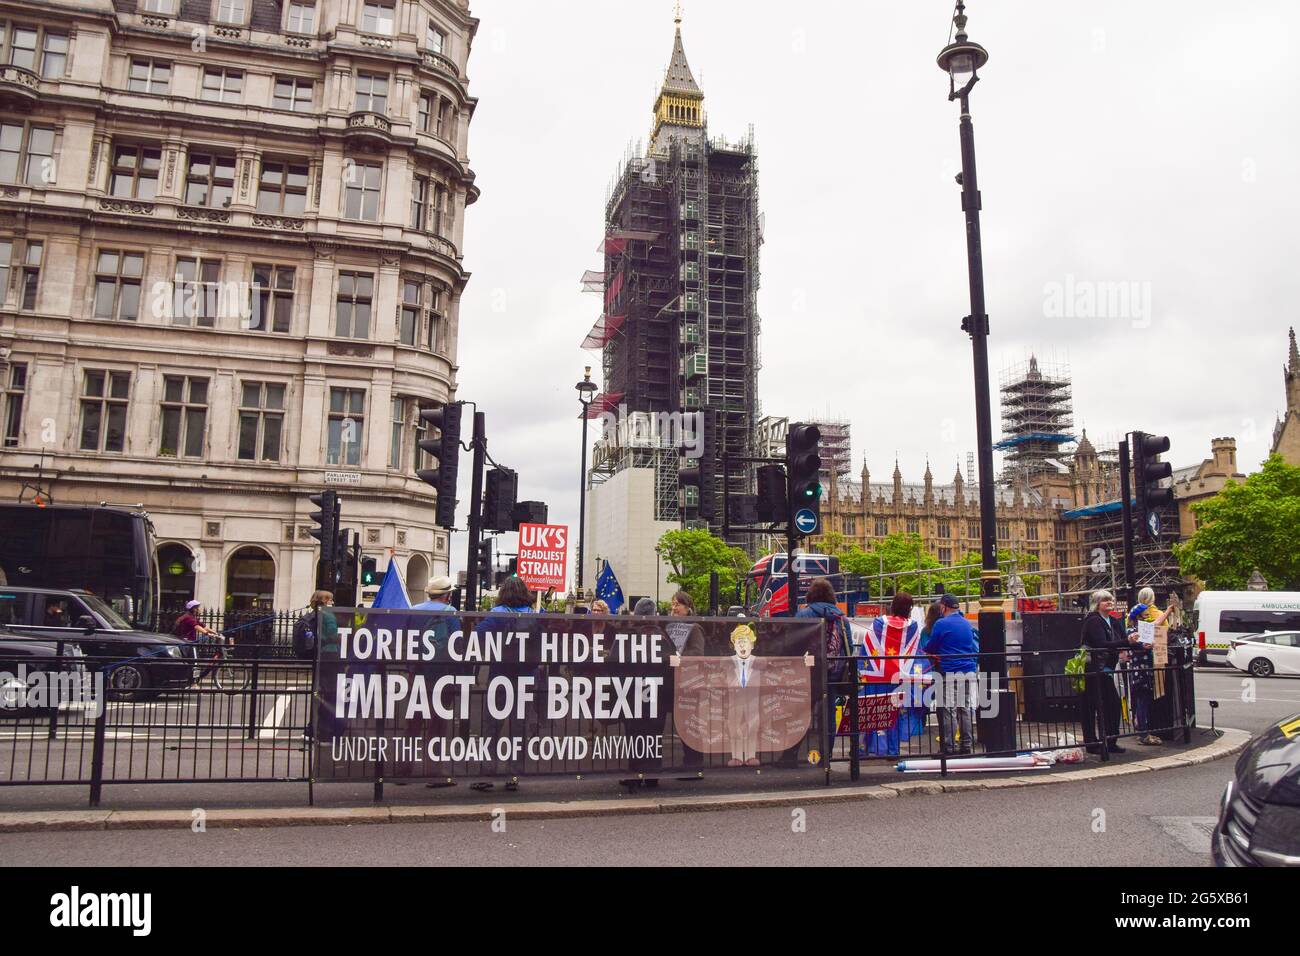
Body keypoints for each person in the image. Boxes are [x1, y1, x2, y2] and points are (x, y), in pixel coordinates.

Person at [859, 592, 927, 756]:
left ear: (893, 605)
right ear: (909, 609)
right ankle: (893, 750)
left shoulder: (877, 624)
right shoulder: (914, 627)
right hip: (900, 678)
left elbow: (867, 646)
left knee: (875, 712)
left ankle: (872, 748)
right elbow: (919, 652)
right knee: (895, 713)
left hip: (876, 676)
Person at [795, 578, 851, 761]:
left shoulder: (804, 615)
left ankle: (795, 755)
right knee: (828, 717)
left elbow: (793, 642)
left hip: (808, 674)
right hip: (833, 674)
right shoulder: (842, 618)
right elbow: (848, 646)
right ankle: (825, 756)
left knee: (801, 714)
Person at [922, 593, 980, 755]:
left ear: (944, 606)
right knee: (965, 708)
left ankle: (949, 747)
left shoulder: (941, 623)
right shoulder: (966, 623)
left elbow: (930, 646)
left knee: (949, 709)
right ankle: (966, 745)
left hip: (949, 670)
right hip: (968, 670)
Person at [1079, 589, 1131, 756]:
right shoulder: (1093, 621)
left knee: (1111, 706)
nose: (1109, 602)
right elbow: (1101, 643)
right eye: (1105, 600)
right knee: (1093, 706)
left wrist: (1139, 645)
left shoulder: (1114, 621)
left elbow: (1122, 640)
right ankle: (1093, 742)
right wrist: (1127, 642)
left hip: (1106, 668)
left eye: (1110, 599)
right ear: (1097, 604)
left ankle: (1110, 739)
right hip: (1093, 668)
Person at [1125, 587, 1174, 745]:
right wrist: (1167, 612)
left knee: (1141, 700)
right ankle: (1143, 733)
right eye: (1145, 615)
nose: (1148, 617)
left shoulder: (1133, 627)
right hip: (1142, 670)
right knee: (1143, 701)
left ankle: (1142, 729)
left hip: (1139, 670)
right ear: (1138, 616)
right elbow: (1157, 623)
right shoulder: (1138, 629)